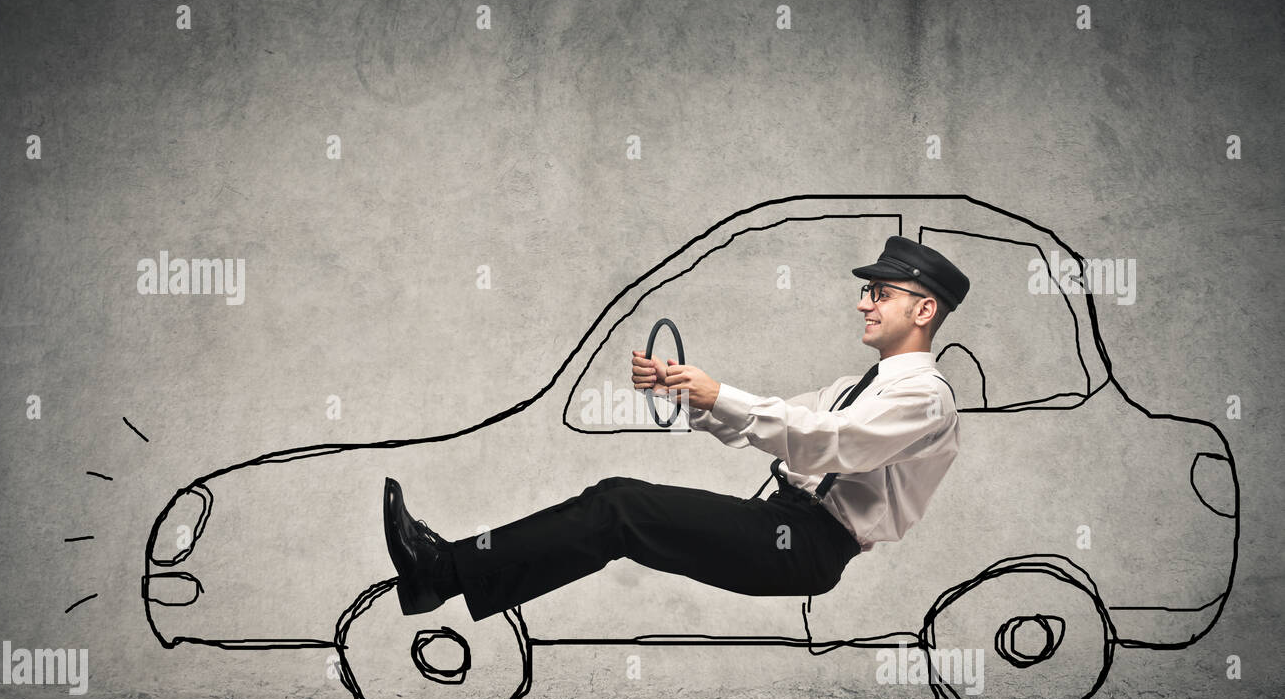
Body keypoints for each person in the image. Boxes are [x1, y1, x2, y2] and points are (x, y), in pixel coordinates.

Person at [383, 235, 969, 622]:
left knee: (621, 510)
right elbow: (768, 426)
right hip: (780, 522)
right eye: (868, 291)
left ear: (923, 310)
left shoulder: (925, 398)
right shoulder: (852, 386)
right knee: (616, 504)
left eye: (882, 294)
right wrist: (688, 391)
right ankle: (446, 577)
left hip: (809, 545)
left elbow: (830, 443)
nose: (866, 304)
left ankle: (441, 571)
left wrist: (720, 394)